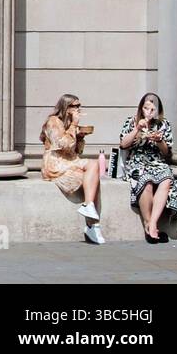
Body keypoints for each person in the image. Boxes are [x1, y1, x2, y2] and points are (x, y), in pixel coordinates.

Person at [40, 93, 105, 245]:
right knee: (92, 182)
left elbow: (76, 151)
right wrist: (74, 126)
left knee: (94, 165)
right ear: (66, 107)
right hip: (56, 163)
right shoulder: (53, 121)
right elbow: (63, 145)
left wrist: (80, 137)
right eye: (75, 106)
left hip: (70, 160)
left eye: (79, 106)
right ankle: (93, 226)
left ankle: (88, 206)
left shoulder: (69, 122)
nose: (78, 109)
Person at [117, 92, 177, 243]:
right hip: (137, 161)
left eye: (152, 109)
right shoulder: (131, 122)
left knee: (166, 179)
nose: (149, 112)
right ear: (141, 108)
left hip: (157, 161)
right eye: (146, 108)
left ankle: (152, 224)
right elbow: (123, 144)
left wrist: (160, 141)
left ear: (158, 111)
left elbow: (167, 153)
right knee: (147, 182)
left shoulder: (163, 124)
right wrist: (137, 130)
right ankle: (148, 224)